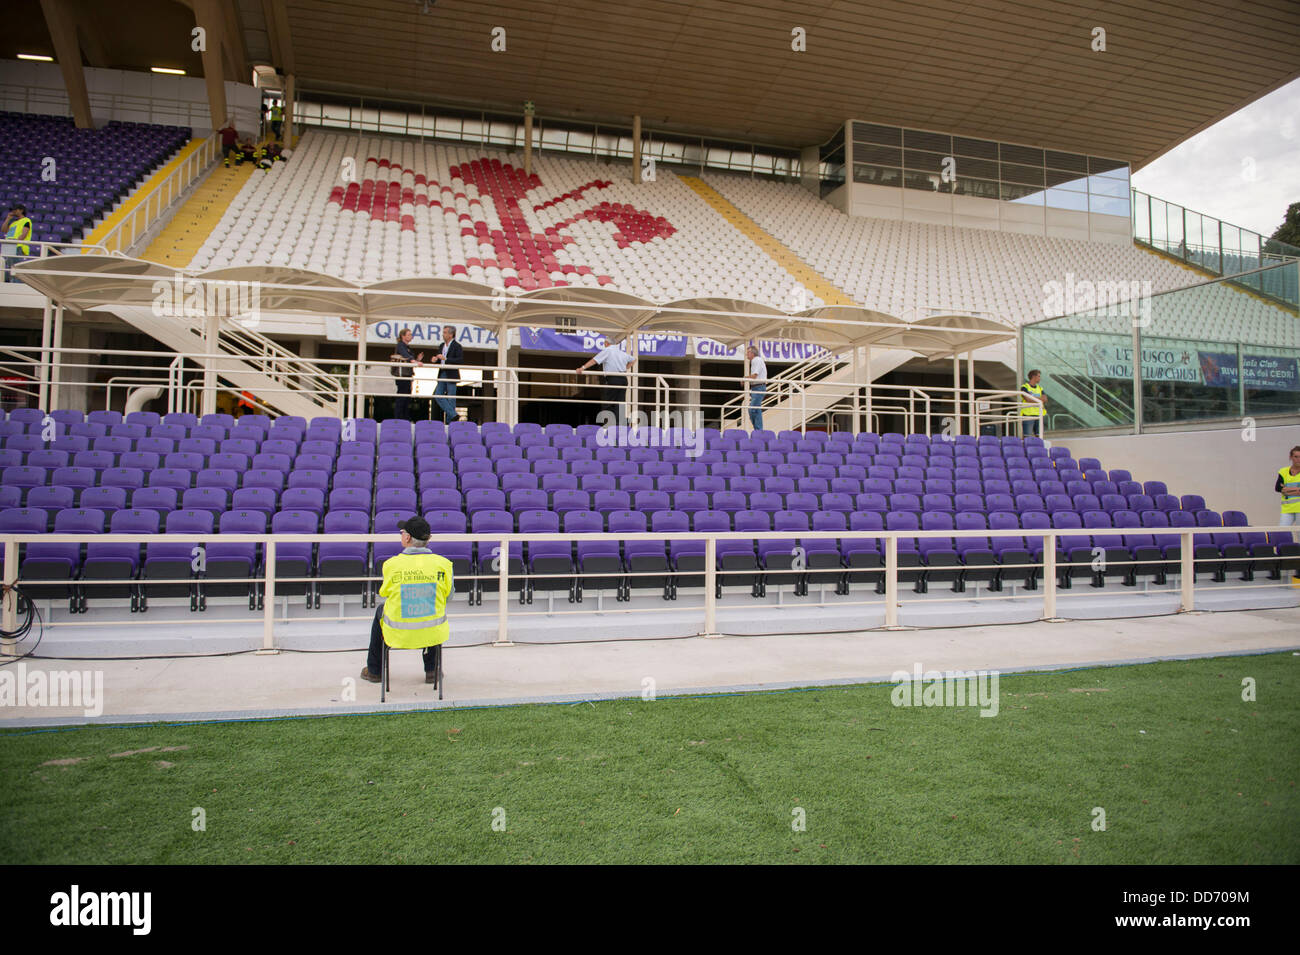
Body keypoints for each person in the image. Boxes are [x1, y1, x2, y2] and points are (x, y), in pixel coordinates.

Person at [360, 517, 453, 685]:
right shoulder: (444, 564)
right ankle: (432, 670)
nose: (401, 535)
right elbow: (449, 595)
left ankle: (374, 671)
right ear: (428, 539)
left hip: (397, 633)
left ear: (408, 538)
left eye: (402, 532)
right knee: (431, 606)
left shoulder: (391, 564)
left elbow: (385, 592)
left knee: (380, 611)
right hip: (432, 632)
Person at [577, 335, 634, 424]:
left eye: (604, 343)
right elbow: (633, 359)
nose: (604, 345)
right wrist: (626, 368)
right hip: (623, 379)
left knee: (609, 401)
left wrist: (582, 368)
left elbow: (594, 360)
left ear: (607, 343)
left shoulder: (608, 350)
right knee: (620, 402)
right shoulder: (620, 352)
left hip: (613, 379)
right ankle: (622, 422)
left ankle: (611, 423)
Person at [431, 324, 463, 424]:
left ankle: (451, 422)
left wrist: (446, 359)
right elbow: (440, 360)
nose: (443, 335)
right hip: (442, 372)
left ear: (451, 334)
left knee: (451, 398)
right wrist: (435, 360)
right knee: (437, 395)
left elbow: (460, 360)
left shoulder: (457, 346)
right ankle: (453, 415)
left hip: (451, 373)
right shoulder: (441, 345)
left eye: (445, 332)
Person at [391, 327, 423, 420]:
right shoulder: (400, 345)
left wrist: (417, 360)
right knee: (402, 395)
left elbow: (408, 358)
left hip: (407, 374)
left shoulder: (407, 347)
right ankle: (399, 417)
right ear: (403, 336)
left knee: (407, 396)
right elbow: (405, 355)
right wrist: (414, 361)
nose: (411, 336)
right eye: (409, 335)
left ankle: (405, 416)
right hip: (402, 374)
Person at [2, 204, 33, 281]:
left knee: (14, 268)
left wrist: (15, 242)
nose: (13, 211)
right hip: (8, 247)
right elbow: (3, 230)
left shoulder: (26, 220)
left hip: (17, 246)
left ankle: (16, 283)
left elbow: (24, 234)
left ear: (21, 210)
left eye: (15, 210)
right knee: (9, 267)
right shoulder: (13, 223)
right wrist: (8, 219)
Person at [1275, 445, 1300, 527]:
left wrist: (1286, 489)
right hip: (1287, 509)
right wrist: (1297, 490)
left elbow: (1283, 489)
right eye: (1296, 457)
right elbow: (1278, 488)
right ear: (1291, 457)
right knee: (1281, 532)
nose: (1298, 459)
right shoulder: (1283, 471)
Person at [745, 345, 767, 431]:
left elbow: (754, 375)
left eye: (748, 353)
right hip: (757, 387)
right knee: (755, 410)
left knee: (752, 410)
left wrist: (744, 378)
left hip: (758, 387)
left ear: (752, 353)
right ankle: (758, 430)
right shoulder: (757, 360)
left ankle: (758, 430)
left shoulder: (756, 360)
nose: (747, 355)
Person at [1020, 369, 1047, 437]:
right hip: (1028, 414)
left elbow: (1045, 399)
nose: (1040, 378)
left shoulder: (1040, 388)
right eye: (1039, 376)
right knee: (1027, 436)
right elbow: (1028, 399)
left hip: (1039, 414)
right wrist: (1039, 399)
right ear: (1034, 377)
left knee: (1039, 435)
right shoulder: (1025, 387)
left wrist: (1033, 397)